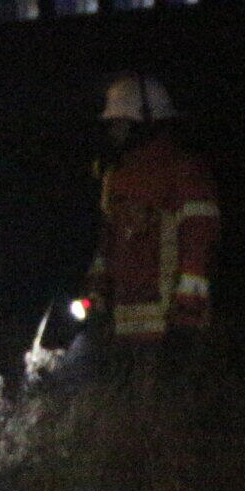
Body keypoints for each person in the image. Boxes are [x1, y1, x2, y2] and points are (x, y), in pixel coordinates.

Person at [88, 71, 218, 357]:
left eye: (120, 122)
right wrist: (97, 291)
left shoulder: (183, 170)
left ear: (145, 122)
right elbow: (106, 242)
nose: (114, 130)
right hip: (124, 321)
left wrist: (188, 309)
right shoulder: (114, 176)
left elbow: (199, 238)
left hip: (170, 321)